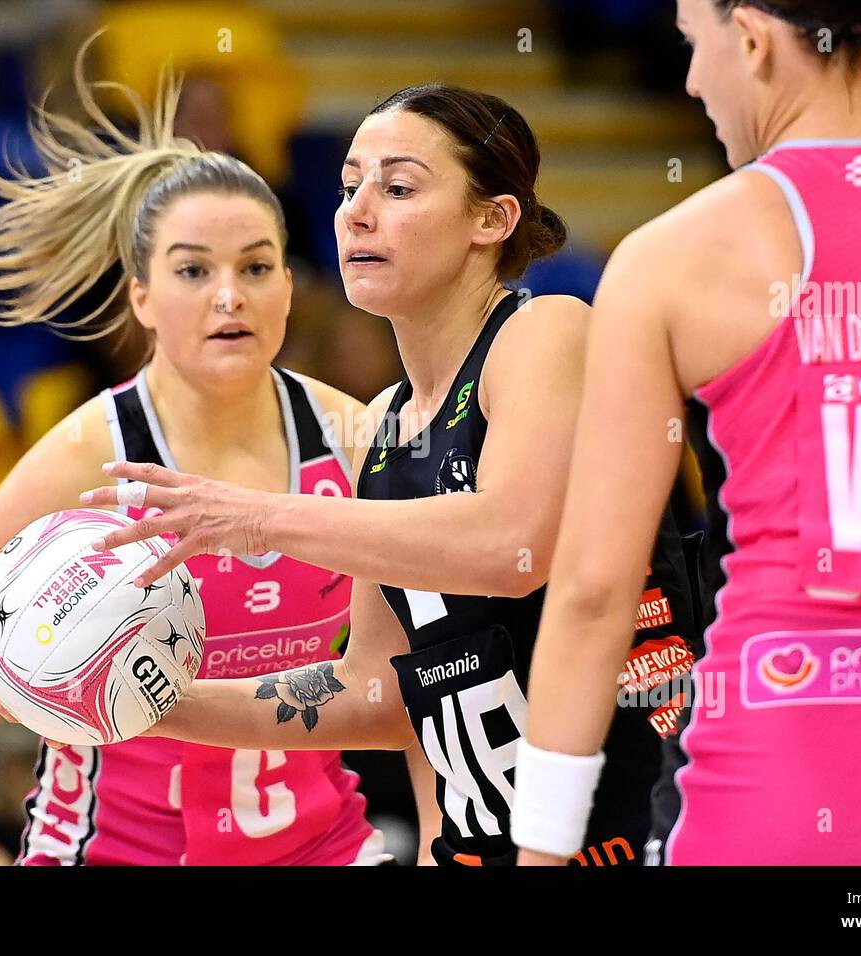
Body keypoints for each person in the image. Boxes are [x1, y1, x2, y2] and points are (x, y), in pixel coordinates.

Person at [60, 84, 704, 867]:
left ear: (491, 220)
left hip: (643, 831)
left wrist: (255, 516)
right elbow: (375, 691)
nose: (355, 211)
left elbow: (509, 545)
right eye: (348, 185)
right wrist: (138, 704)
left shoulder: (544, 332)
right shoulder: (387, 424)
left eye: (397, 187)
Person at [516, 0, 861, 865]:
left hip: (780, 765)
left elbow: (597, 589)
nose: (689, 80)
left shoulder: (670, 257)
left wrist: (541, 848)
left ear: (750, 39)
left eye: (692, 44)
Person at [0, 46, 392, 866]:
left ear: (290, 287)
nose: (229, 295)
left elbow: (402, 690)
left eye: (257, 267)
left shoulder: (356, 441)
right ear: (141, 296)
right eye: (193, 270)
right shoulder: (78, 464)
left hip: (327, 847)